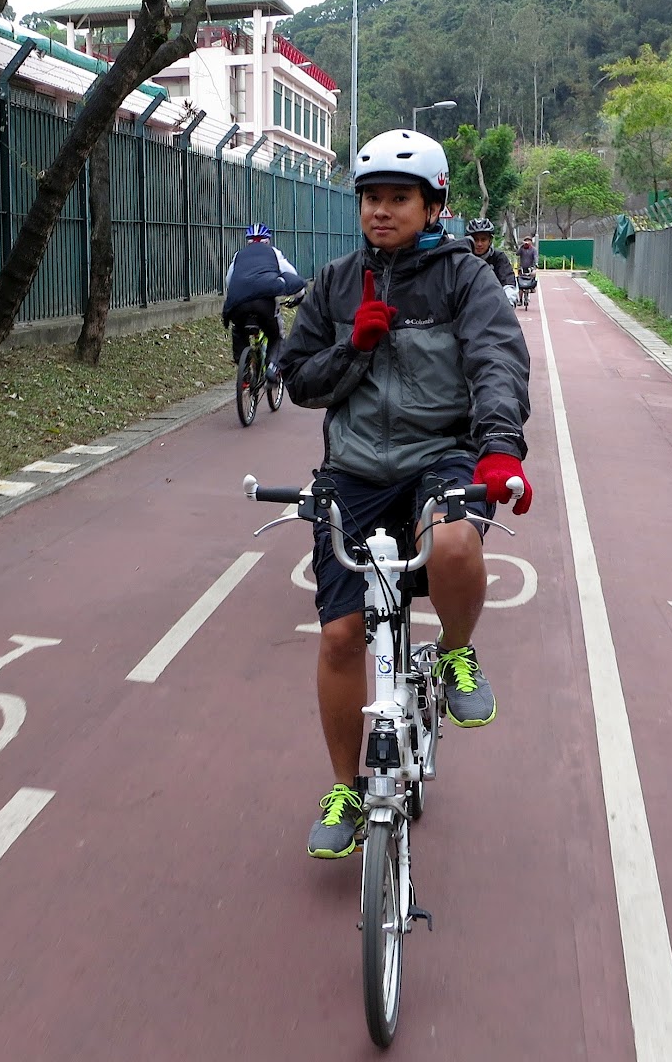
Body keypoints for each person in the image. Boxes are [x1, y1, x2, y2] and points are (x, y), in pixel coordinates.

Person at [277, 129, 533, 859]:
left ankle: (456, 651)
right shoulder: (332, 283)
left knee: (453, 539)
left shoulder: (464, 279)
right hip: (354, 468)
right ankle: (344, 788)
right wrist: (351, 348)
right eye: (370, 199)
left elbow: (496, 362)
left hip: (441, 456)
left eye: (398, 199)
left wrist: (500, 451)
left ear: (433, 205)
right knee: (336, 634)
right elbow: (297, 381)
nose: (381, 212)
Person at [223, 223, 305, 383]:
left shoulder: (239, 255)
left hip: (239, 304)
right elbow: (292, 275)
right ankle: (272, 368)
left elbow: (229, 280)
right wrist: (299, 296)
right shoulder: (273, 253)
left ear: (248, 241)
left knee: (239, 331)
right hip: (265, 304)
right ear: (268, 241)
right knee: (276, 337)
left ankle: (245, 370)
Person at [466, 217, 518, 306]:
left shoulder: (499, 257)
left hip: (494, 307)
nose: (479, 244)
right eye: (475, 239)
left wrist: (508, 304)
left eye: (483, 240)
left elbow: (508, 283)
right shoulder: (463, 258)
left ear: (490, 241)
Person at [517, 238, 539, 304]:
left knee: (533, 276)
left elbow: (535, 257)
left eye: (528, 241)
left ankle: (532, 288)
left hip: (530, 267)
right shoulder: (522, 249)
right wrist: (521, 246)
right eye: (525, 241)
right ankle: (520, 300)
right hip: (522, 268)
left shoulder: (533, 250)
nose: (527, 242)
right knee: (520, 284)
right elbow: (517, 253)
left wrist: (535, 265)